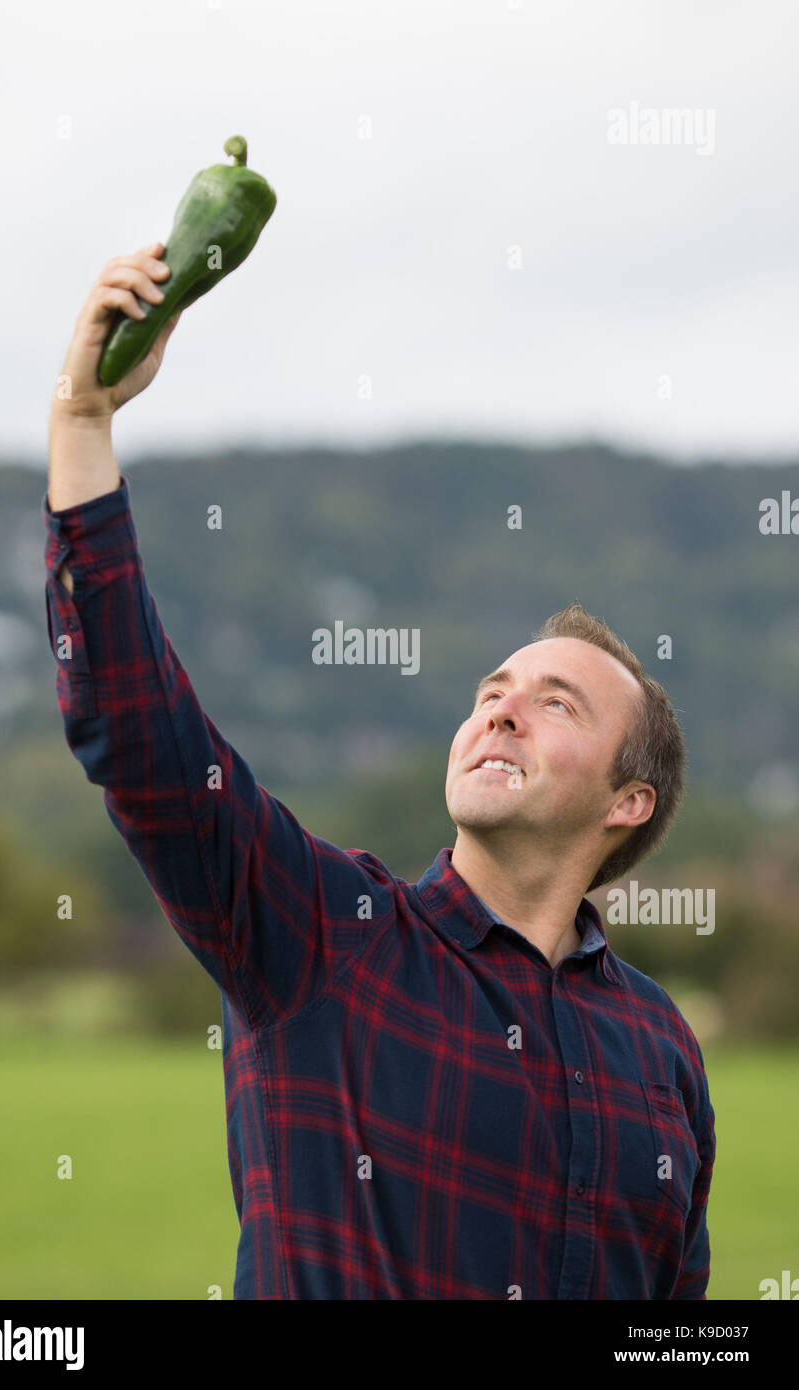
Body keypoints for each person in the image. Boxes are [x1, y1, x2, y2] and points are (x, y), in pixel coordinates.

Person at [45, 243, 715, 1300]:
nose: (499, 706)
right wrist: (82, 426)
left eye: (555, 702)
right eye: (491, 688)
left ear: (626, 803)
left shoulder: (661, 1050)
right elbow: (145, 746)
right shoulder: (321, 939)